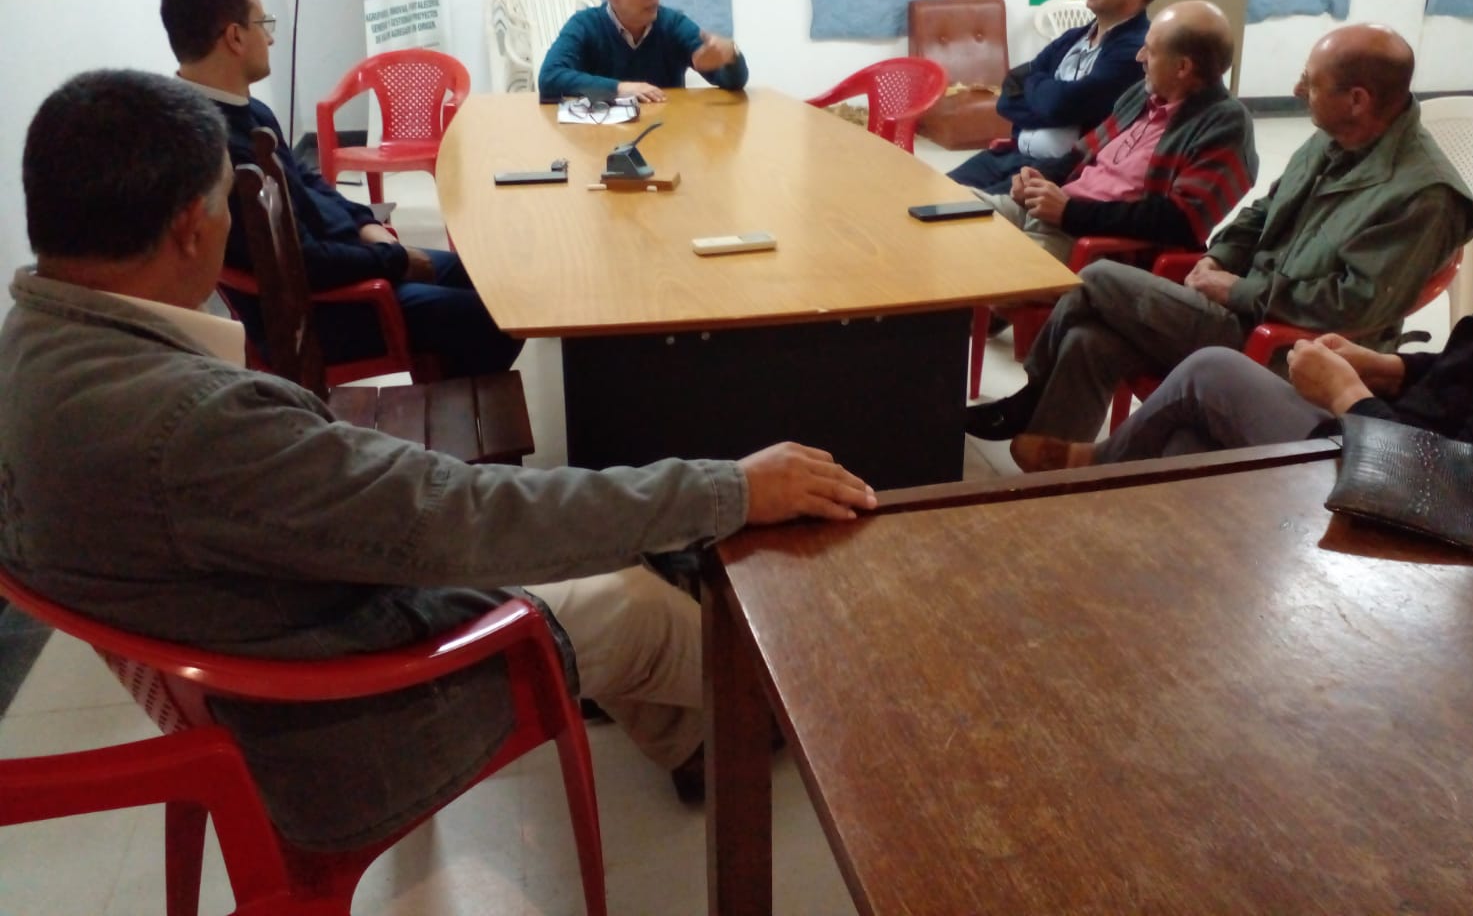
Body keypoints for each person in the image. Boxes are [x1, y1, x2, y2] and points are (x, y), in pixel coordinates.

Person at [0, 69, 878, 849]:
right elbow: (465, 519)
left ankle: (697, 741)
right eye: (229, 206)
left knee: (616, 559)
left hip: (246, 649)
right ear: (195, 227)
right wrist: (729, 487)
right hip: (331, 724)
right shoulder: (192, 425)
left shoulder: (36, 342)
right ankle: (817, 719)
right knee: (636, 605)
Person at [1027, 89, 1473, 562]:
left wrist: (1348, 395)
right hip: (1391, 429)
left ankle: (1085, 480)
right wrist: (1393, 368)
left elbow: (1463, 483)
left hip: (1406, 485)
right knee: (1181, 437)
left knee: (1205, 367)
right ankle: (1097, 544)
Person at [967, 23, 1473, 468]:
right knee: (1089, 339)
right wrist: (1219, 257)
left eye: (1312, 80)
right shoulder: (1334, 138)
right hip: (1239, 308)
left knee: (1098, 278)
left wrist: (1237, 289)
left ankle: (1030, 400)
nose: (1297, 88)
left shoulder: (1423, 196)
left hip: (1288, 345)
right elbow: (1260, 215)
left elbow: (1354, 307)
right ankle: (1062, 479)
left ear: (1358, 100)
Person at [161, 0, 521, 380]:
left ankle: (451, 389)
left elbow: (308, 182)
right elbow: (301, 262)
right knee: (498, 314)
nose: (272, 37)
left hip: (340, 265)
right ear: (235, 37)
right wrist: (392, 259)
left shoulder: (248, 111)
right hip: (321, 311)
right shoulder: (210, 150)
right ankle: (461, 415)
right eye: (264, 23)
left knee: (493, 279)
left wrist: (366, 223)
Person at [976, 0, 1258, 264]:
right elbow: (1080, 154)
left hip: (1095, 242)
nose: (1139, 56)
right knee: (954, 214)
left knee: (988, 268)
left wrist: (1069, 212)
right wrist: (1039, 178)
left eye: (1150, 50)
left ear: (1182, 67)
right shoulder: (1143, 94)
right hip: (1055, 213)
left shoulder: (1224, 123)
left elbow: (1181, 221)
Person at [948, 0, 1166, 195]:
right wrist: (1053, 102)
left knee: (965, 211)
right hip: (1013, 155)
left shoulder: (1135, 51)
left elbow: (1061, 103)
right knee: (932, 191)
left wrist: (1041, 90)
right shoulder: (1073, 38)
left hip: (1058, 174)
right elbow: (1008, 94)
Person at [537, 0, 748, 102]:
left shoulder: (672, 24)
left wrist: (731, 56)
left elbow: (733, 83)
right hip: (603, 141)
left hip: (665, 138)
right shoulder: (585, 25)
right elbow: (549, 78)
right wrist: (619, 88)